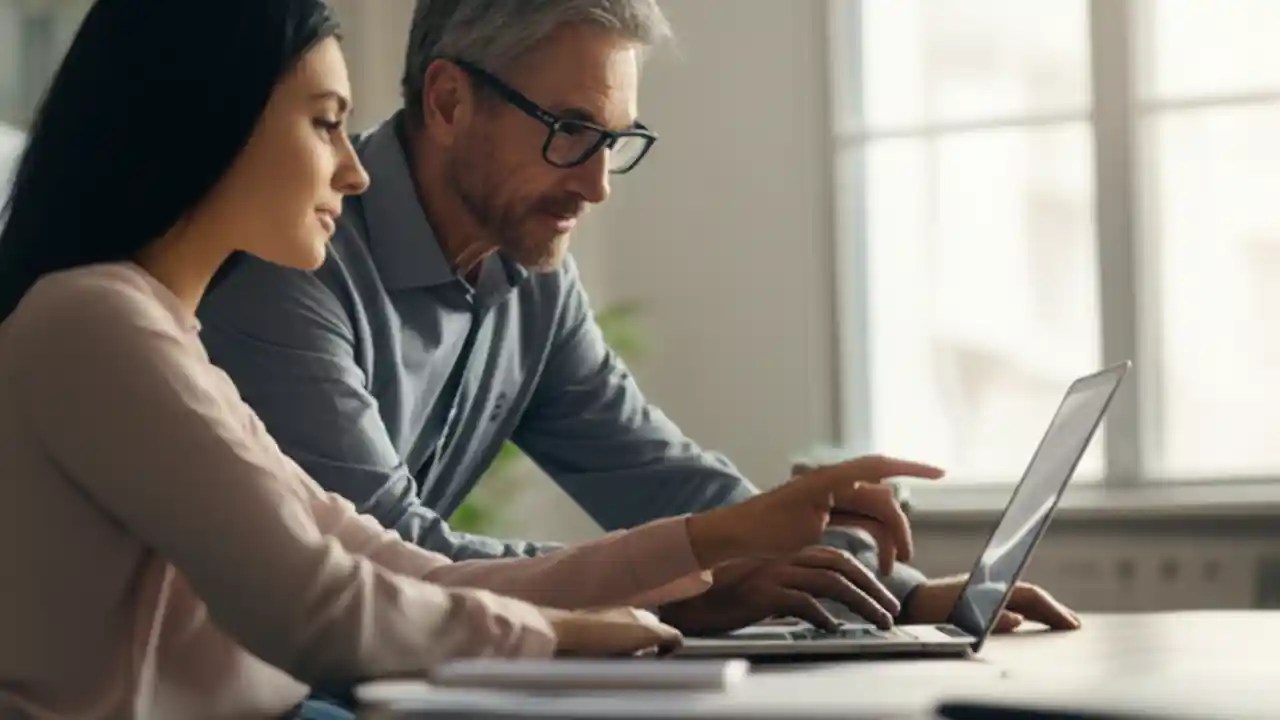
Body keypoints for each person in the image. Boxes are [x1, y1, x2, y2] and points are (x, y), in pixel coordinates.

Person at [0, 2, 944, 715]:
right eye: (325, 122)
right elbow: (338, 599)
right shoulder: (115, 321)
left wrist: (854, 583)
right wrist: (585, 630)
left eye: (615, 141)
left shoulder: (166, 343)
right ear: (449, 99)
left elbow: (401, 568)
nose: (353, 165)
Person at [199, 0, 1082, 635]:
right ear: (447, 102)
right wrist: (695, 586)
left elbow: (667, 480)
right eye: (570, 131)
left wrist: (899, 594)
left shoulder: (531, 278)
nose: (596, 183)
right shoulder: (289, 259)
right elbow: (395, 556)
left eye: (615, 141)